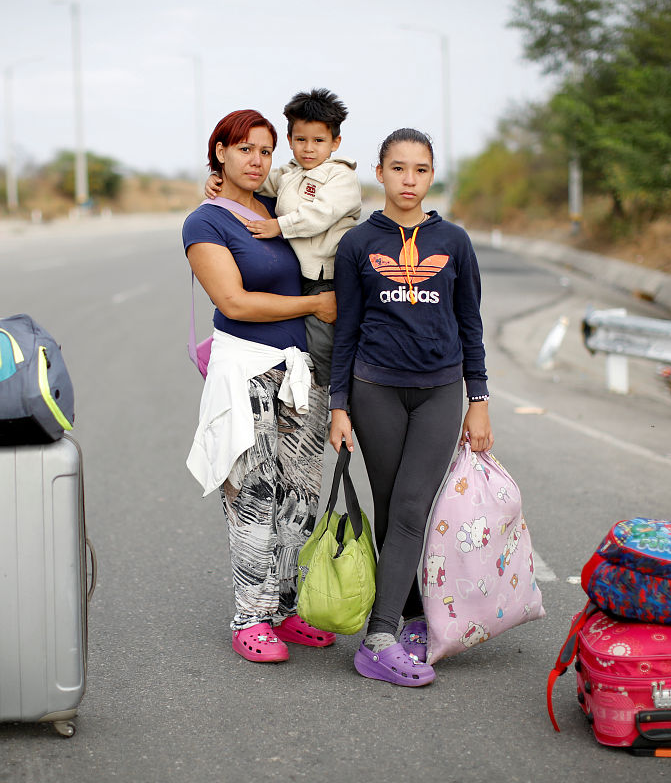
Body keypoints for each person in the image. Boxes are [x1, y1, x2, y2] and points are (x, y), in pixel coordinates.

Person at [328, 128, 493, 687]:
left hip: (439, 392)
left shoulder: (454, 242)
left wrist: (479, 400)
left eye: (420, 170)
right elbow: (346, 328)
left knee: (411, 508)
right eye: (398, 169)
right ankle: (413, 617)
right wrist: (339, 405)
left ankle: (379, 636)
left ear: (431, 175)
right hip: (374, 388)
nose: (408, 180)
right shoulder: (356, 245)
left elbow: (469, 324)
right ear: (380, 172)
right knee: (391, 506)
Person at [184, 109, 339, 663]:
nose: (257, 160)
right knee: (253, 496)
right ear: (220, 152)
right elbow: (234, 301)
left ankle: (286, 607)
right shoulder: (206, 223)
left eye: (266, 151)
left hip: (300, 372)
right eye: (245, 148)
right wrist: (316, 304)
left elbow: (333, 211)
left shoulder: (278, 210)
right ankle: (249, 617)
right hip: (245, 368)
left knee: (300, 495)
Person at [205, 88, 361, 386]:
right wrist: (217, 178)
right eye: (300, 140)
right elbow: (259, 182)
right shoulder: (289, 173)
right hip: (304, 283)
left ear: (335, 142)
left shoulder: (340, 177)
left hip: (327, 276)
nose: (308, 149)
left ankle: (337, 398)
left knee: (324, 345)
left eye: (319, 141)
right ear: (290, 141)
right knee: (315, 342)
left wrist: (280, 226)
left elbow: (321, 213)